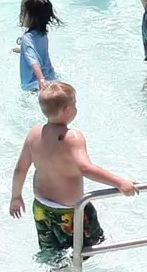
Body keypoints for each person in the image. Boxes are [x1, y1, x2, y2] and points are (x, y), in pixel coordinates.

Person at [9, 80, 135, 261]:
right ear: (67, 110)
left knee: (52, 256)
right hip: (71, 212)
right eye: (75, 104)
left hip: (42, 208)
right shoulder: (72, 137)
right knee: (91, 250)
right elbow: (85, 168)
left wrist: (16, 196)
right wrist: (119, 182)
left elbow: (20, 169)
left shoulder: (34, 133)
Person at [15, 0, 61, 91]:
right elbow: (36, 51)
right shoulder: (42, 34)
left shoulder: (27, 37)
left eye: (23, 13)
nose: (20, 16)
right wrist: (21, 50)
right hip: (50, 77)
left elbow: (33, 59)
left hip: (34, 84)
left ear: (34, 17)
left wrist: (41, 80)